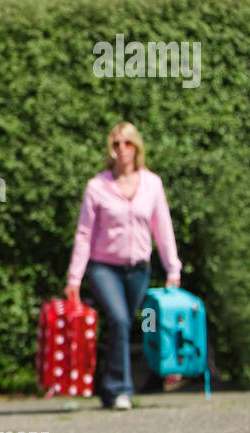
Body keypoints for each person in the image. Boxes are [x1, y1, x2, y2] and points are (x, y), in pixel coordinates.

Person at [65, 122, 182, 410]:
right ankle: (122, 390)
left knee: (124, 326)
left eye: (127, 143)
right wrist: (74, 278)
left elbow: (163, 228)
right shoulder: (97, 186)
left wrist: (173, 268)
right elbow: (84, 234)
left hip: (138, 269)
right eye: (116, 144)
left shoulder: (152, 184)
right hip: (104, 268)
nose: (121, 149)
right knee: (118, 320)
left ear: (136, 147)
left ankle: (107, 387)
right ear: (110, 148)